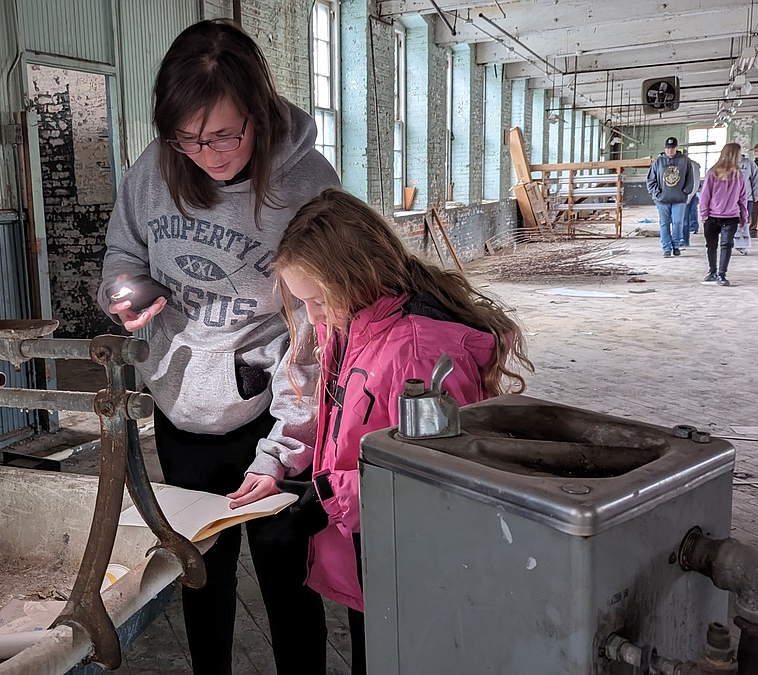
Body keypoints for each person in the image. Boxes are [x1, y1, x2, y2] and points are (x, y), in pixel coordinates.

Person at [98, 19, 338, 675]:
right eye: (190, 139)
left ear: (257, 112)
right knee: (200, 577)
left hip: (274, 412)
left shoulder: (307, 183)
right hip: (182, 409)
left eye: (223, 135)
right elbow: (122, 253)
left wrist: (289, 440)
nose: (208, 153)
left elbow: (328, 319)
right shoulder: (154, 171)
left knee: (291, 579)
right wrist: (128, 293)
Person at [269, 188, 533, 674]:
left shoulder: (418, 353)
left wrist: (330, 495)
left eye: (319, 299)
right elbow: (346, 425)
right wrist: (300, 471)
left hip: (411, 558)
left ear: (357, 275)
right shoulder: (354, 324)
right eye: (302, 301)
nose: (312, 316)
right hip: (372, 542)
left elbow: (443, 479)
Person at [699, 143, 749, 287]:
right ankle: (712, 271)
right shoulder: (712, 173)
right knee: (711, 245)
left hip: (731, 216)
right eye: (739, 154)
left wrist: (744, 215)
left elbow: (742, 197)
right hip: (712, 216)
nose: (740, 156)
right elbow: (705, 196)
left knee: (726, 245)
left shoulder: (739, 175)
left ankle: (721, 274)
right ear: (733, 154)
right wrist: (704, 215)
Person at [646, 136, 695, 257]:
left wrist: (685, 192)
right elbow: (650, 180)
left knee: (678, 222)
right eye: (667, 148)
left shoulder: (685, 161)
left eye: (672, 148)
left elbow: (690, 179)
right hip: (662, 200)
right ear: (664, 148)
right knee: (664, 223)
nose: (669, 151)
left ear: (676, 148)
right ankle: (666, 248)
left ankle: (676, 245)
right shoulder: (658, 162)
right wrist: (657, 194)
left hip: (679, 199)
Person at [735, 152, 758, 254]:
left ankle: (742, 244)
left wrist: (757, 194)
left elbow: (756, 179)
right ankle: (729, 242)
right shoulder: (726, 163)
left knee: (744, 221)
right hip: (730, 198)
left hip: (747, 197)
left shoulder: (749, 164)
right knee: (731, 221)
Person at [682, 153, 702, 247]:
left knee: (685, 217)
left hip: (688, 193)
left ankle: (684, 239)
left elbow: (695, 182)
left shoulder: (691, 165)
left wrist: (689, 196)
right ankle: (693, 228)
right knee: (689, 213)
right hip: (688, 193)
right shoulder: (693, 164)